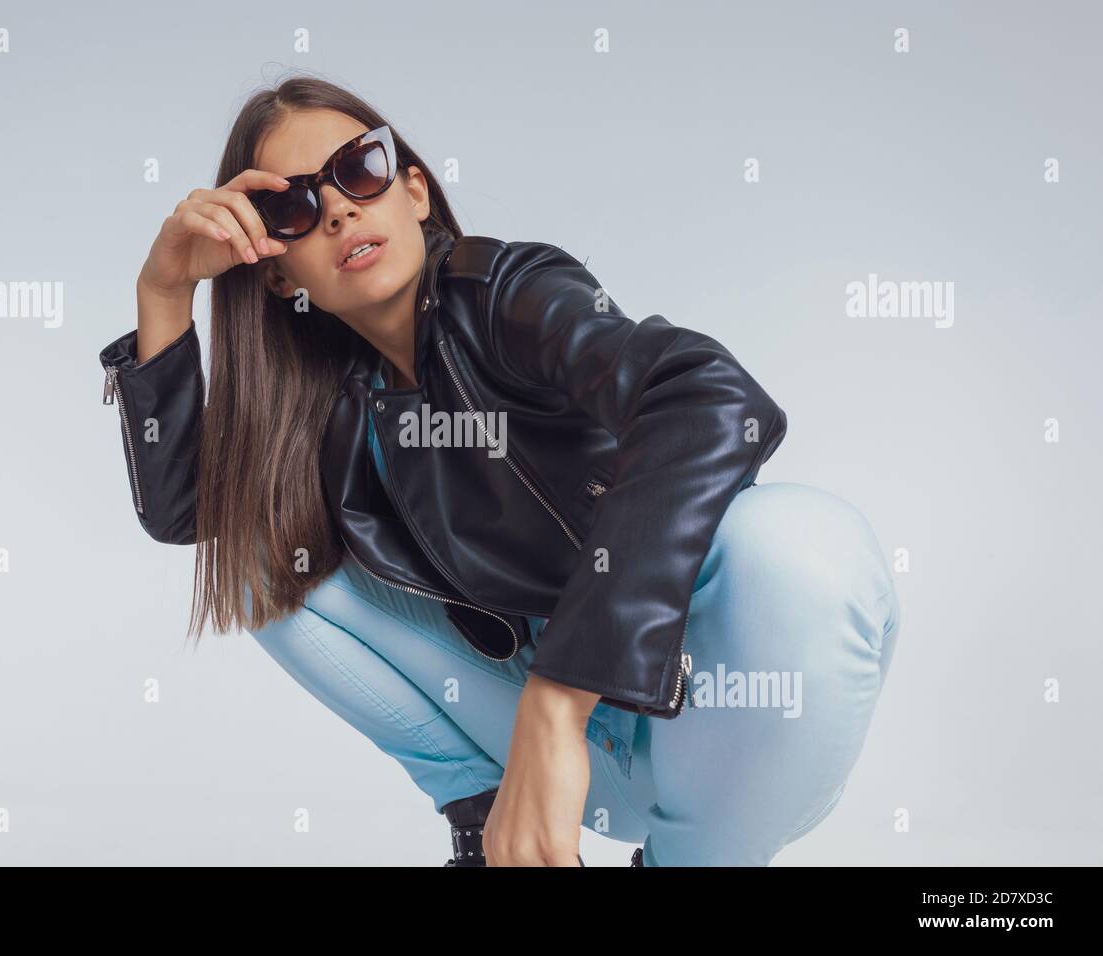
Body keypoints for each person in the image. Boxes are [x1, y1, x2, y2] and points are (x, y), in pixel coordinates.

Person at [98, 75, 901, 867]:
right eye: (294, 208)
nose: (340, 207)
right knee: (258, 560)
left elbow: (713, 400)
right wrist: (163, 290)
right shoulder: (335, 409)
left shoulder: (511, 295)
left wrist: (558, 699)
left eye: (360, 170)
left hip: (705, 714)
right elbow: (187, 511)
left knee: (798, 543)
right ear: (276, 272)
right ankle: (489, 836)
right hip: (549, 759)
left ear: (413, 190)